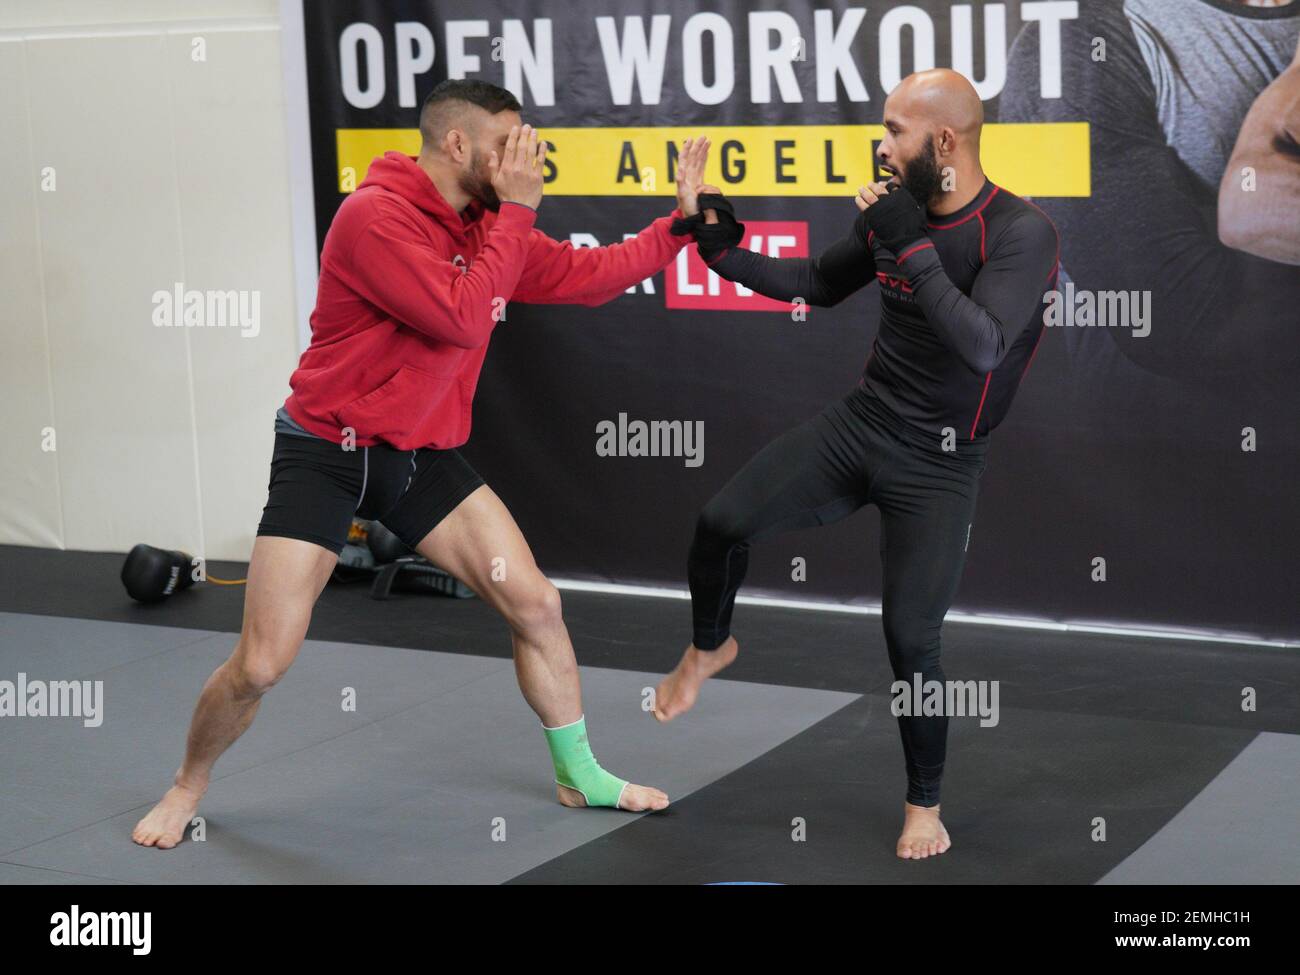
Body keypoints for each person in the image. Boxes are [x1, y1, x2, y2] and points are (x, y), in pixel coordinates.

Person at [134, 79, 712, 848]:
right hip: (327, 453)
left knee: (536, 604)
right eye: (507, 142)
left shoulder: (486, 226)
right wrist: (521, 210)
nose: (523, 156)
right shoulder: (374, 217)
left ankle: (581, 774)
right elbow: (464, 315)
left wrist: (679, 226)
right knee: (263, 663)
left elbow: (585, 276)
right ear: (458, 145)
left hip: (421, 458)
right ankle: (185, 785)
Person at [654, 69, 1058, 860]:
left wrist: (909, 239)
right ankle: (710, 645)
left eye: (894, 131)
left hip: (941, 462)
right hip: (863, 423)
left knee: (911, 639)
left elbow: (981, 346)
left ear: (944, 142)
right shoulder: (890, 217)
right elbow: (815, 282)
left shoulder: (1019, 231)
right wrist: (717, 244)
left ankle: (923, 806)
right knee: (719, 521)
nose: (880, 145)